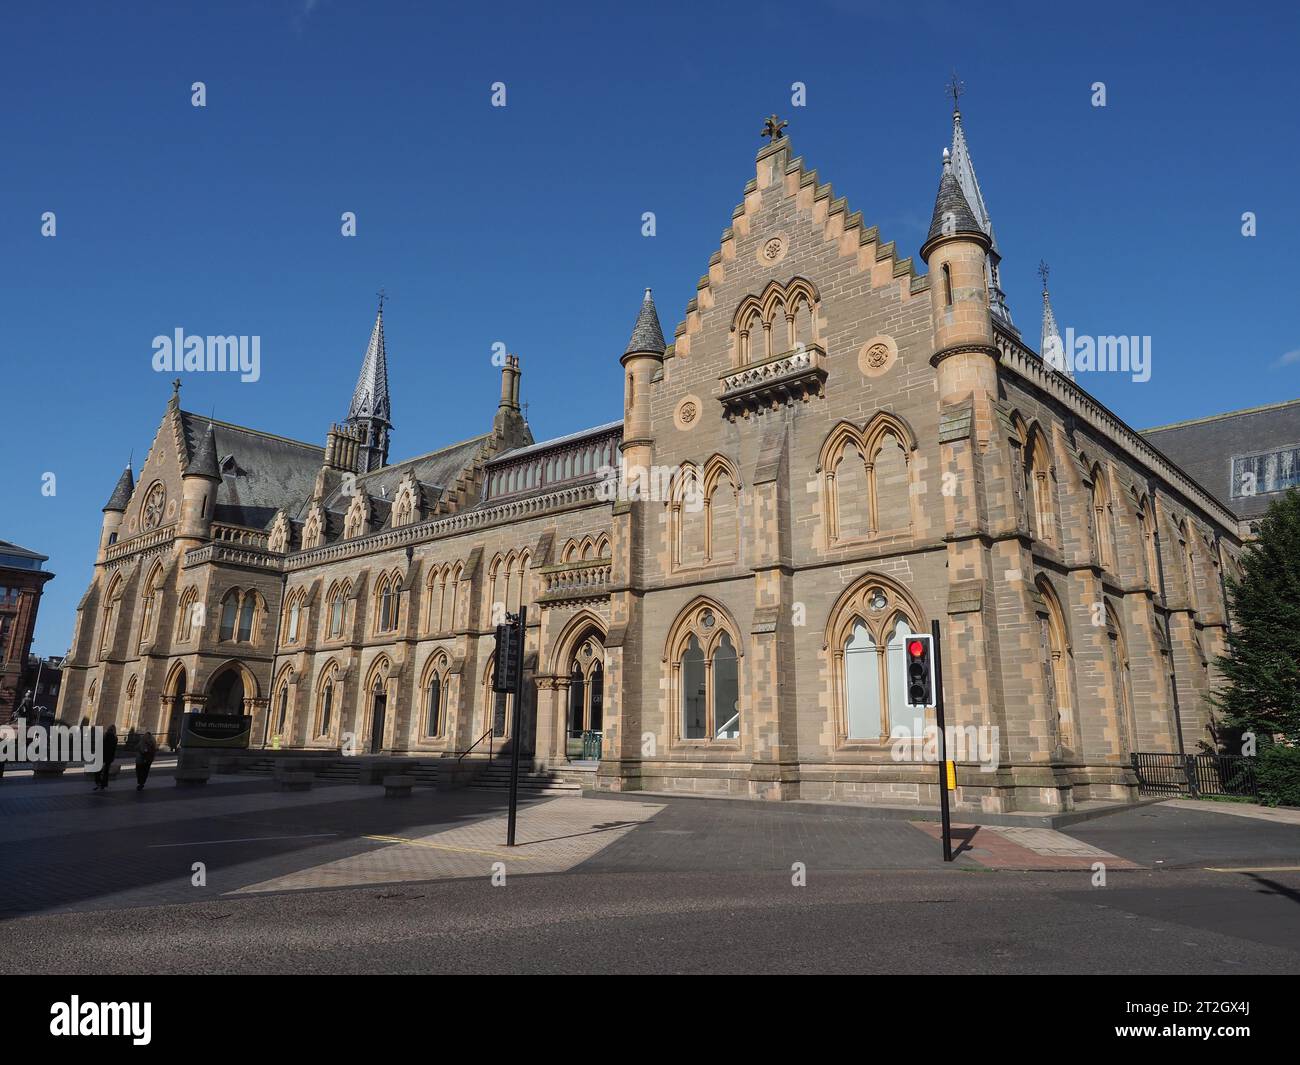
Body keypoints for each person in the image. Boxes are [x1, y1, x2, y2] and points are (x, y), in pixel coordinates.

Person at [93, 723, 118, 791]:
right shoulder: (115, 738)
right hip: (109, 757)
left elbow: (99, 746)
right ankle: (103, 784)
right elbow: (114, 749)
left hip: (101, 755)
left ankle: (98, 782)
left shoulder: (105, 736)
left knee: (98, 770)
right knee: (106, 771)